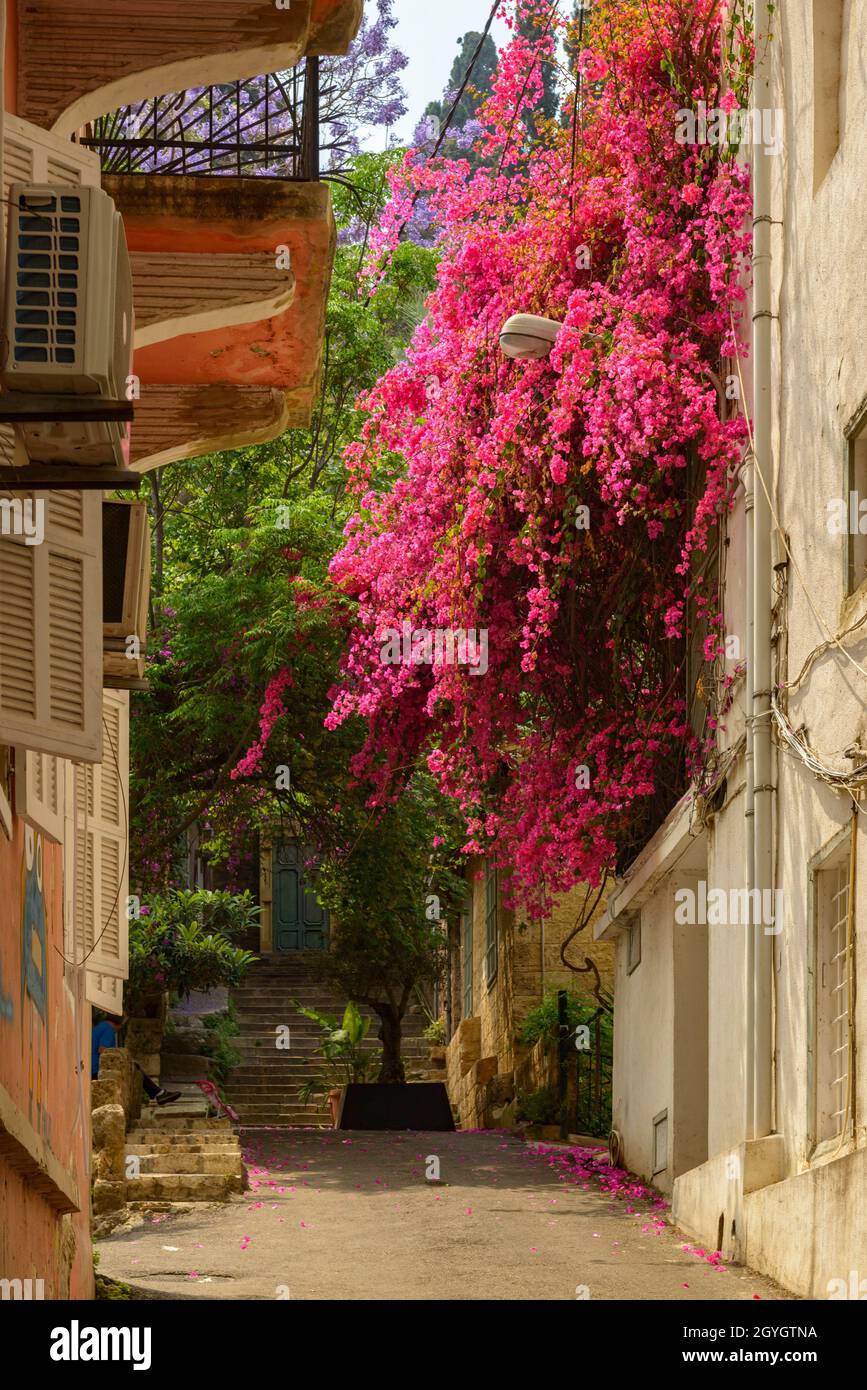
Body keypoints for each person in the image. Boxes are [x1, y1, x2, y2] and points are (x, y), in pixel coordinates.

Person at [91, 1014, 182, 1106]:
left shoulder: (101, 1026)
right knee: (135, 1067)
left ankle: (158, 1093)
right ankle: (158, 1093)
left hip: (92, 1069)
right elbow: (103, 1050)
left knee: (134, 1066)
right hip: (96, 1070)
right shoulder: (108, 1030)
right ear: (119, 1024)